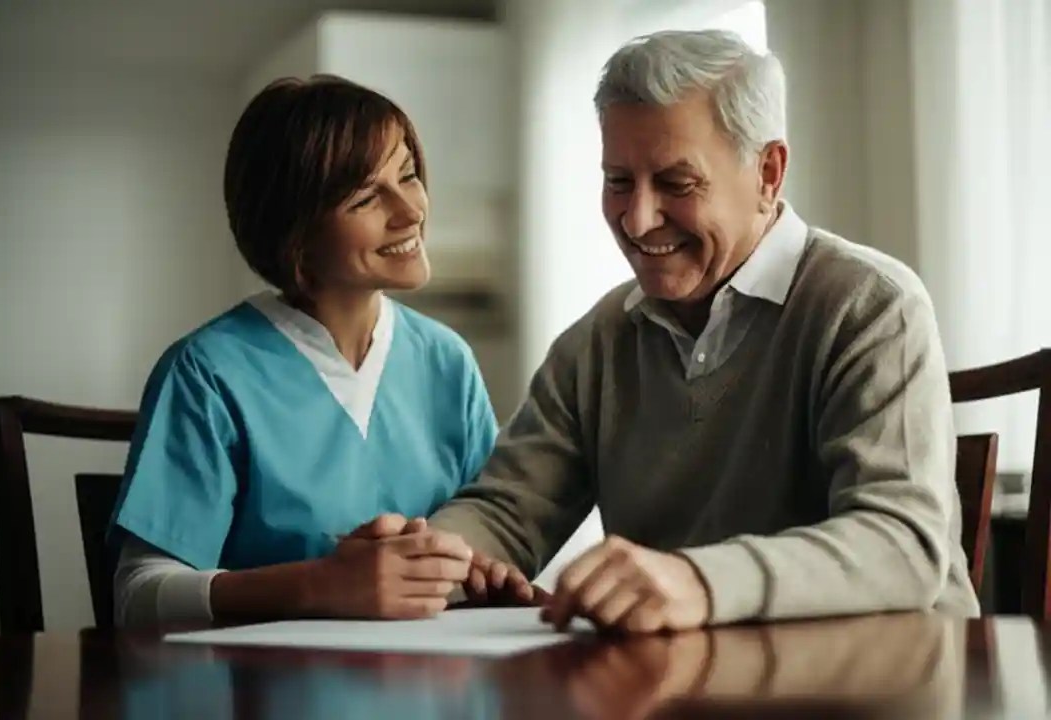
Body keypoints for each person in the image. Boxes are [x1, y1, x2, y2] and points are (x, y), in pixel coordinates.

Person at [363, 29, 980, 631]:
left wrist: (698, 582)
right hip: (690, 682)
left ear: (768, 172)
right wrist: (430, 556)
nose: (638, 218)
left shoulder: (871, 306)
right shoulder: (598, 341)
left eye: (677, 184)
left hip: (887, 683)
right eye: (618, 181)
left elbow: (901, 544)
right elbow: (508, 510)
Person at [109, 76, 521, 628]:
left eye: (408, 175)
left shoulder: (447, 361)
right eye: (366, 198)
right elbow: (138, 599)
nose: (410, 211)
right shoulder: (208, 373)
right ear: (295, 233)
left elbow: (479, 544)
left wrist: (481, 574)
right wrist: (322, 584)